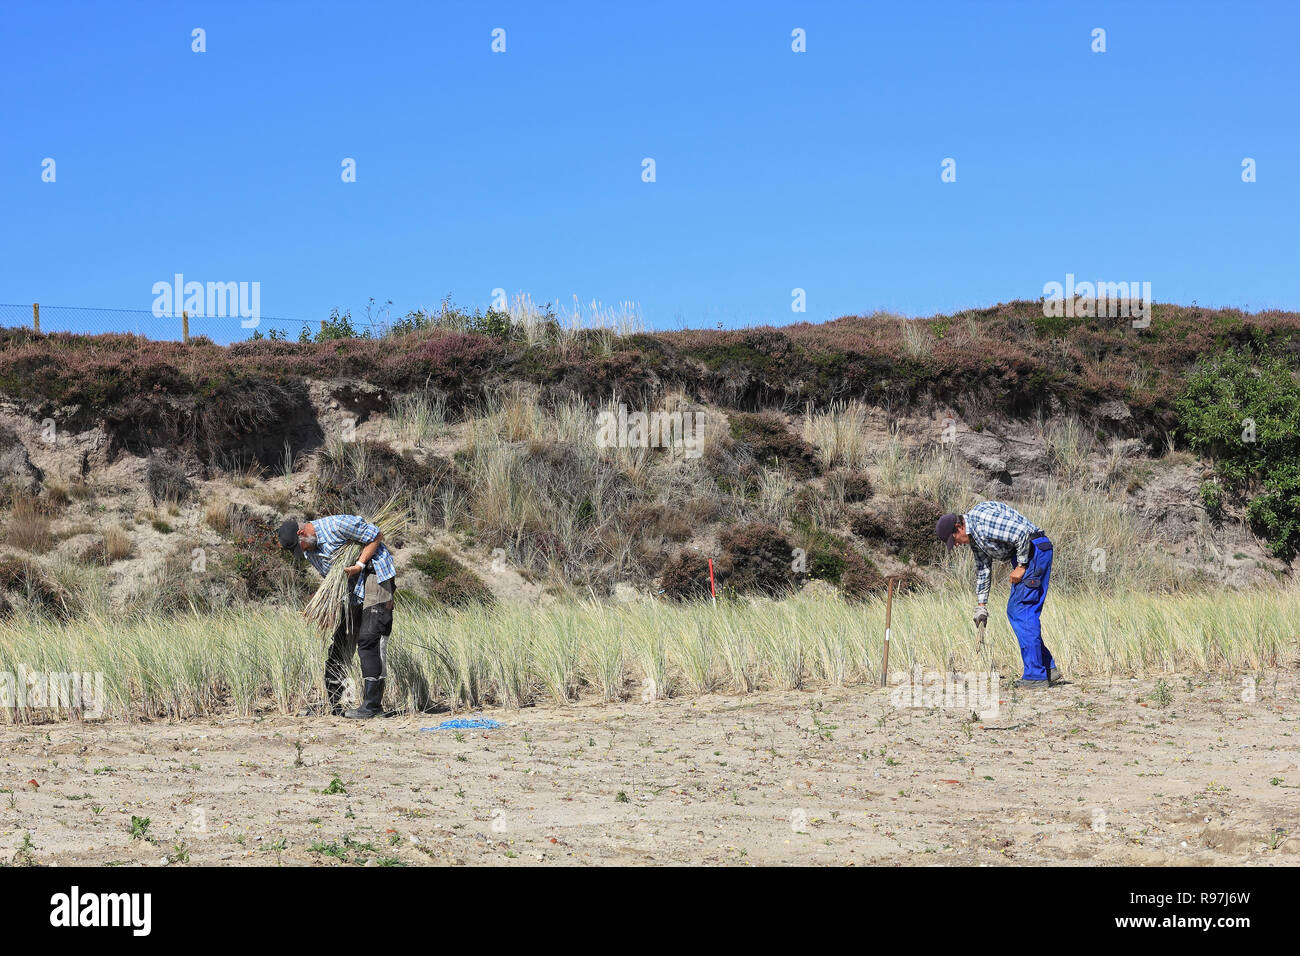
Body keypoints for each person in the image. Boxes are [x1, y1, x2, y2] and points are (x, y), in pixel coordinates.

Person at [277, 514, 397, 718]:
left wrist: (359, 565)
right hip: (351, 591)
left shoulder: (337, 525)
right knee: (341, 642)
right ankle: (335, 703)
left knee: (369, 639)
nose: (303, 552)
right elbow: (333, 579)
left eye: (301, 546)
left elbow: (376, 536)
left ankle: (372, 706)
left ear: (302, 533)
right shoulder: (310, 551)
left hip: (373, 577)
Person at [934, 501, 1061, 688]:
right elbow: (983, 570)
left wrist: (1021, 566)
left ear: (960, 526)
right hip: (1031, 551)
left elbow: (1021, 533)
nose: (958, 545)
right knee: (1019, 611)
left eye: (955, 539)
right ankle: (1047, 668)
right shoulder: (975, 539)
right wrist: (981, 606)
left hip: (1034, 549)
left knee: (1020, 612)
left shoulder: (982, 522)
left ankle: (1035, 675)